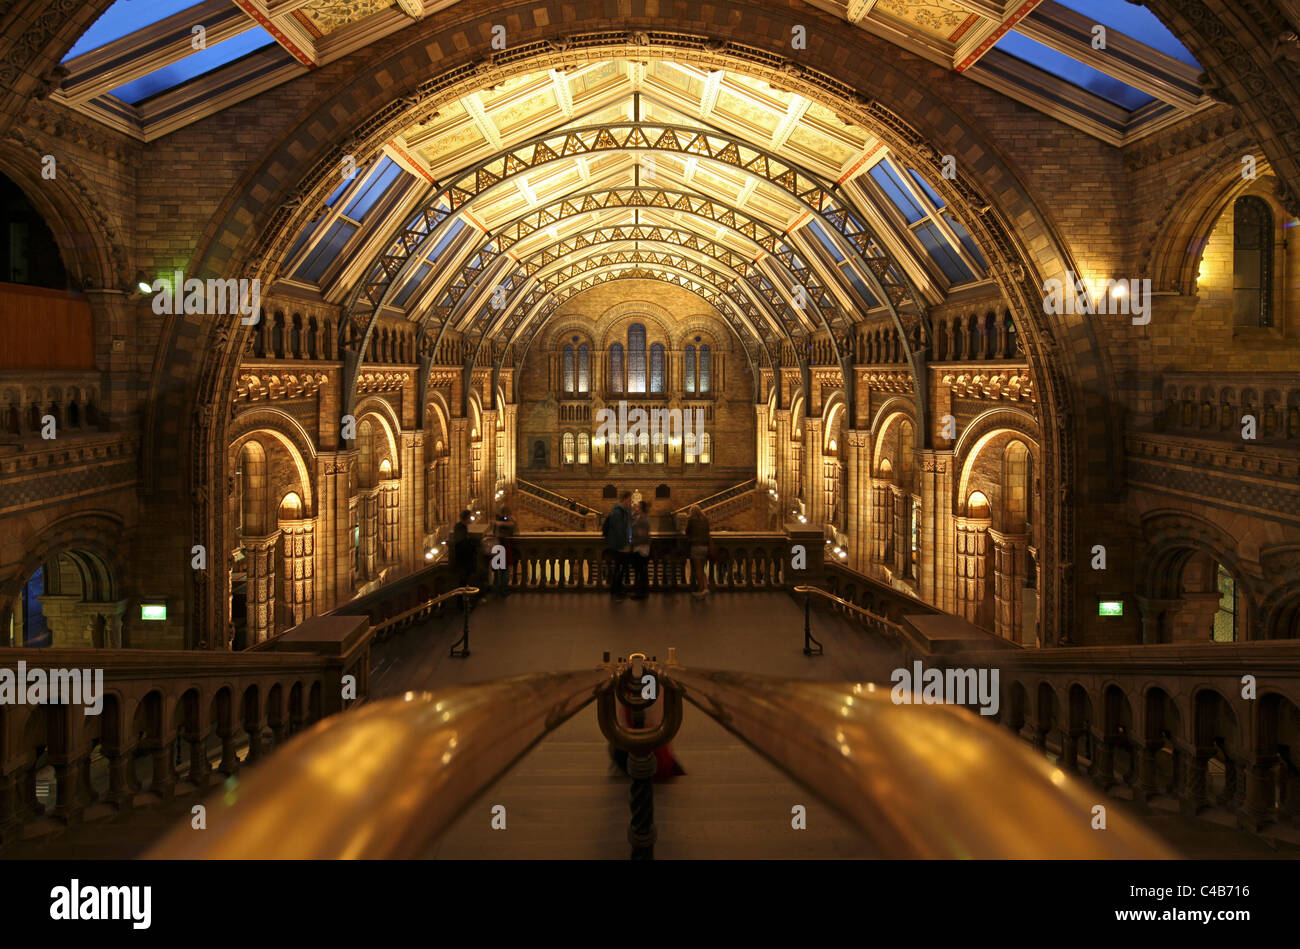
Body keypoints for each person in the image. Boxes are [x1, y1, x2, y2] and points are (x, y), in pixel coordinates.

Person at [603, 490, 634, 599]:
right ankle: (615, 591)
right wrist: (625, 545)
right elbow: (619, 530)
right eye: (630, 500)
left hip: (620, 544)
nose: (631, 502)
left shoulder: (623, 511)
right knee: (618, 568)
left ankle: (619, 589)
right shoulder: (617, 512)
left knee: (620, 568)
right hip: (618, 546)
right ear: (625, 499)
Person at [686, 504, 711, 598]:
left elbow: (687, 532)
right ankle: (706, 588)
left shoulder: (691, 520)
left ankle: (701, 590)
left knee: (698, 570)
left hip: (696, 546)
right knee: (702, 569)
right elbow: (708, 532)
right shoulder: (705, 520)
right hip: (705, 547)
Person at [491, 505, 516, 596]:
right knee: (505, 570)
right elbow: (514, 529)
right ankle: (504, 590)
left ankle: (496, 590)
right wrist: (512, 520)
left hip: (496, 547)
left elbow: (495, 533)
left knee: (497, 571)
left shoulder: (497, 522)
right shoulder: (507, 522)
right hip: (504, 547)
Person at [630, 500, 652, 600]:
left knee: (641, 571)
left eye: (637, 507)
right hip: (639, 547)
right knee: (641, 571)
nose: (635, 508)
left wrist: (632, 541)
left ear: (642, 509)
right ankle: (642, 592)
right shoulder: (638, 518)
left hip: (641, 548)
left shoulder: (642, 520)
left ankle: (641, 593)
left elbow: (642, 536)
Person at [451, 509, 476, 587]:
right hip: (463, 558)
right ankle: (461, 597)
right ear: (467, 518)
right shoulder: (459, 527)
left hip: (464, 558)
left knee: (465, 578)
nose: (470, 519)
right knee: (463, 579)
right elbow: (461, 542)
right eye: (469, 517)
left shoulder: (462, 526)